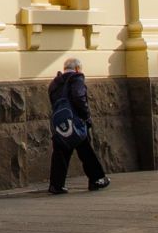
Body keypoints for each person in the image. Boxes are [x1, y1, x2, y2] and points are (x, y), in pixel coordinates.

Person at [47, 55, 111, 194]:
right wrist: (85, 115)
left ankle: (56, 185)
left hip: (61, 123)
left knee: (61, 151)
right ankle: (97, 179)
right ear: (77, 68)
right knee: (86, 150)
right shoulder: (77, 79)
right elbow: (79, 97)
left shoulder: (55, 83)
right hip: (76, 122)